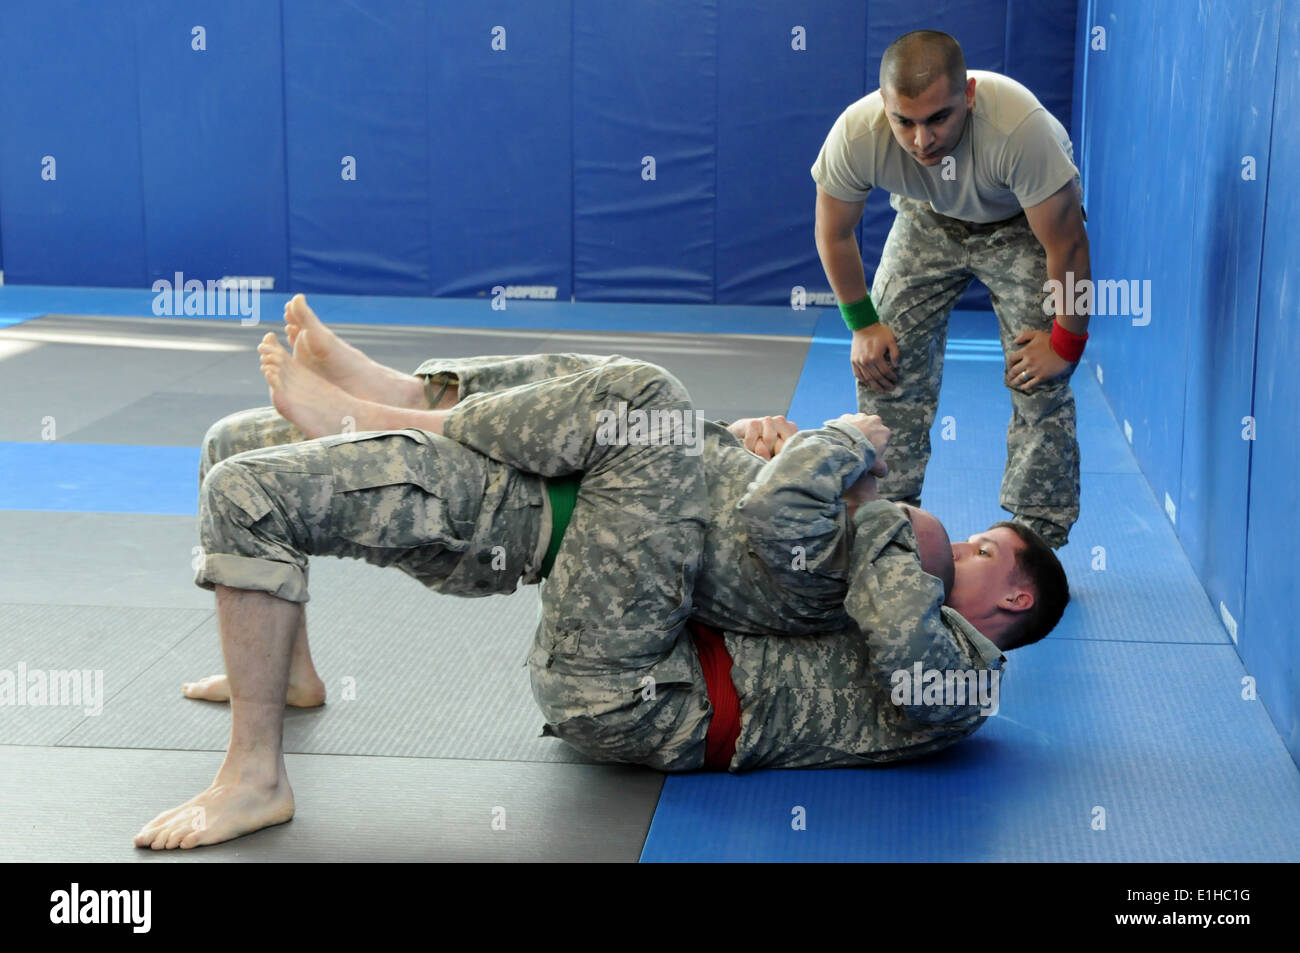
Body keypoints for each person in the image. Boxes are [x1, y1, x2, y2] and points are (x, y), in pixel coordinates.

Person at [134, 299, 1067, 849]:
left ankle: (412, 416)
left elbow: (804, 540)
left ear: (1015, 595)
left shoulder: (963, 673)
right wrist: (757, 441)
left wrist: (859, 482)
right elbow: (764, 523)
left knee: (647, 398)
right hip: (636, 586)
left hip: (634, 684)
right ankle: (411, 410)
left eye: (985, 548)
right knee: (237, 442)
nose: (950, 544)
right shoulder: (876, 586)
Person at [812, 29, 1091, 548]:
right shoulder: (856, 133)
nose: (922, 140)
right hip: (929, 216)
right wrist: (863, 323)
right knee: (882, 363)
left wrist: (1067, 343)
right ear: (884, 106)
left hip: (1019, 222)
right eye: (905, 122)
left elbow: (1069, 245)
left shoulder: (1019, 129)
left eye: (938, 118)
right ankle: (887, 526)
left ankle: (1034, 540)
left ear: (968, 95)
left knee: (1039, 374)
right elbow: (833, 231)